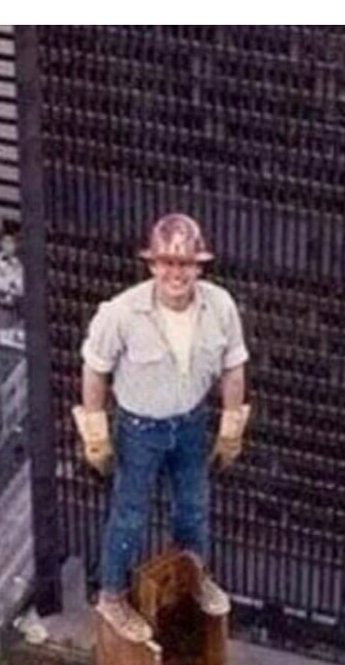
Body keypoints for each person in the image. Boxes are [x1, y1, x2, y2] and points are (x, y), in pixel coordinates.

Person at [73, 214, 250, 639]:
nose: (176, 273)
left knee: (192, 508)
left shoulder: (219, 306)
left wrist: (231, 425)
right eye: (167, 263)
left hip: (191, 424)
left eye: (185, 263)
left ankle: (193, 578)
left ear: (199, 266)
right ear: (152, 265)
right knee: (130, 516)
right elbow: (95, 371)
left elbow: (234, 366)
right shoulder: (122, 312)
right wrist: (95, 432)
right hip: (139, 430)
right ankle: (112, 596)